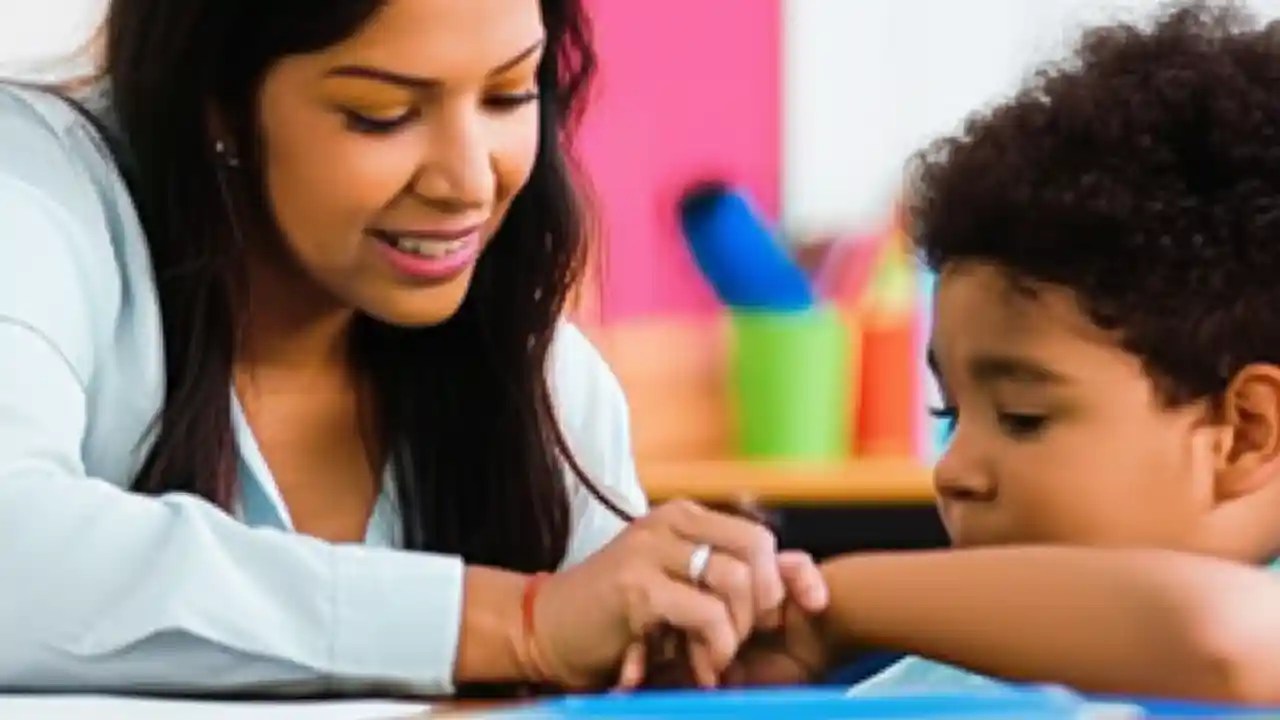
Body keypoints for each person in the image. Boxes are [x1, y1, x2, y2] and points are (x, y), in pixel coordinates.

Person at [0, 0, 829, 696]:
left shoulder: (545, 385)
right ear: (217, 102)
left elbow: (607, 640)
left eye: (509, 96)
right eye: (382, 115)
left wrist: (687, 665)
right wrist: (519, 622)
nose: (468, 182)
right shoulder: (34, 199)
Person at [716, 0, 1280, 704]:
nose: (952, 471)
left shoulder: (1254, 633)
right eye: (948, 411)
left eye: (1022, 417)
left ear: (1245, 432)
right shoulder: (949, 675)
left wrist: (842, 602)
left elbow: (1223, 637)